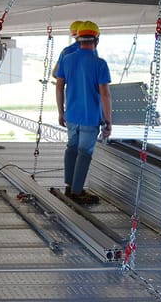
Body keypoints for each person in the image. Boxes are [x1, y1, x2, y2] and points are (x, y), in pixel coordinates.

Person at [55, 20, 112, 205]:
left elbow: (59, 87)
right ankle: (77, 192)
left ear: (78, 39)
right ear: (96, 39)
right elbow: (105, 94)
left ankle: (69, 186)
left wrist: (61, 112)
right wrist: (108, 121)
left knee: (71, 149)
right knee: (84, 153)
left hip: (71, 116)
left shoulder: (67, 59)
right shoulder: (100, 64)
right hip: (90, 118)